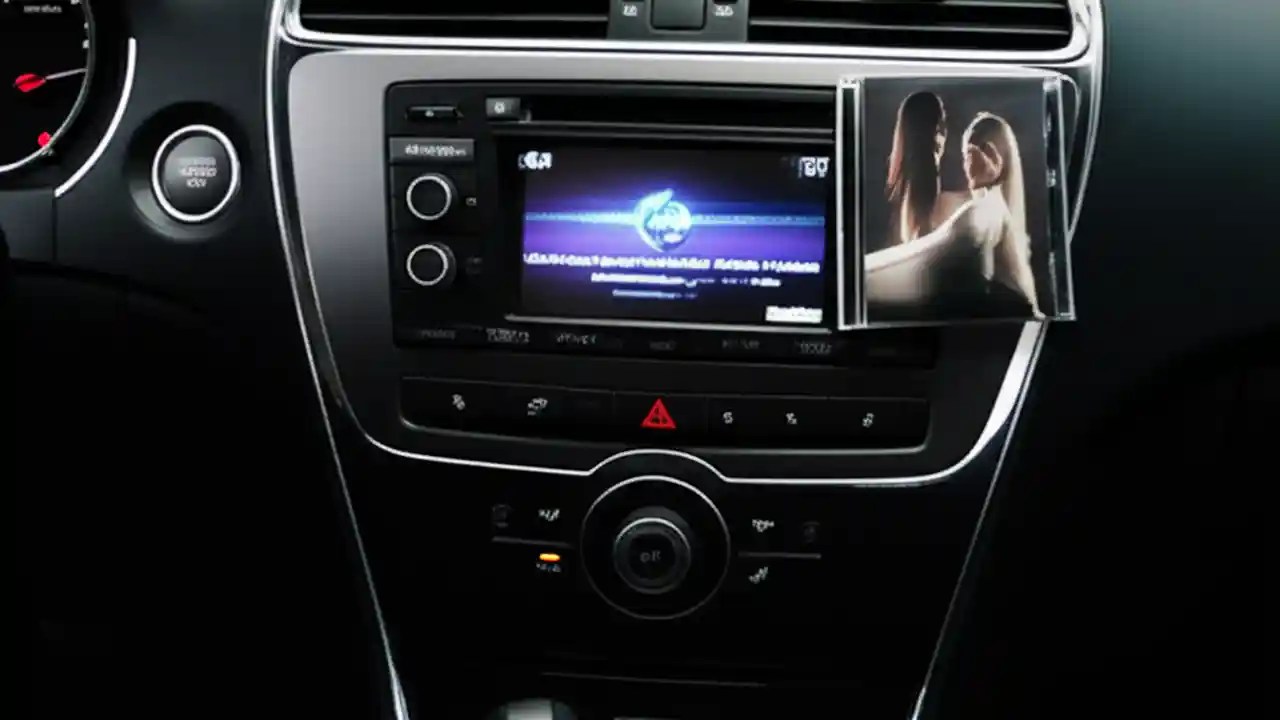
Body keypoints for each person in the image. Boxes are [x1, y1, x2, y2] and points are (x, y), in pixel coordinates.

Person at [867, 111, 1045, 319]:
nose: (970, 160)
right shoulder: (955, 206)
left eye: (982, 149)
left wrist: (990, 186)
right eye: (966, 153)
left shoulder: (989, 214)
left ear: (1002, 159)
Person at [885, 91, 967, 246]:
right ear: (935, 128)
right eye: (940, 122)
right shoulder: (927, 171)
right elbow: (924, 234)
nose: (943, 132)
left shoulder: (905, 179)